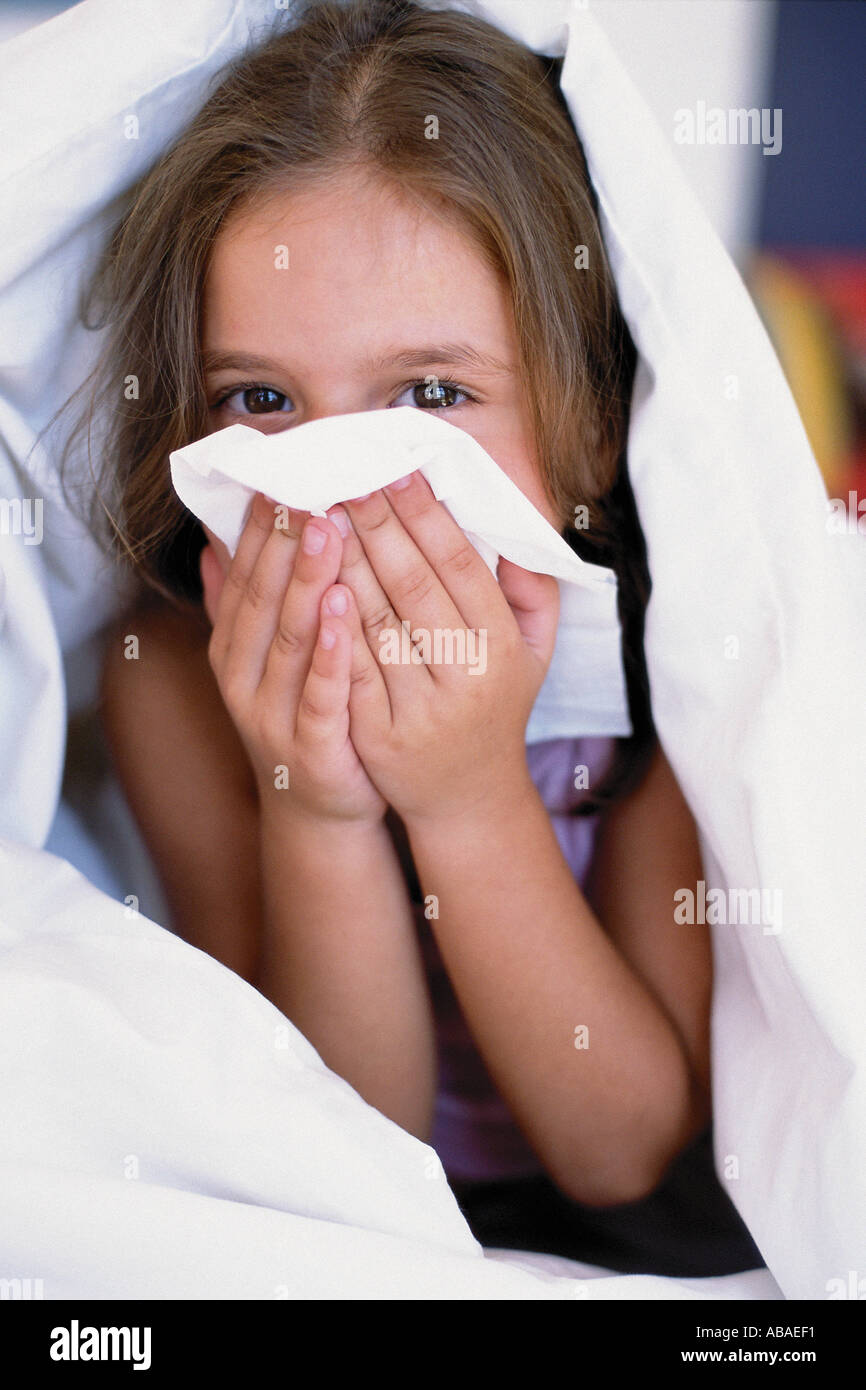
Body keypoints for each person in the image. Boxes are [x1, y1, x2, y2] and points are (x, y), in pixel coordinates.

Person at [72, 0, 762, 1275]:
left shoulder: (669, 671)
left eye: (431, 395)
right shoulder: (176, 678)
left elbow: (624, 1157)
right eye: (261, 399)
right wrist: (316, 808)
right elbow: (339, 1150)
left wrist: (466, 796)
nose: (336, 475)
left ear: (589, 431)